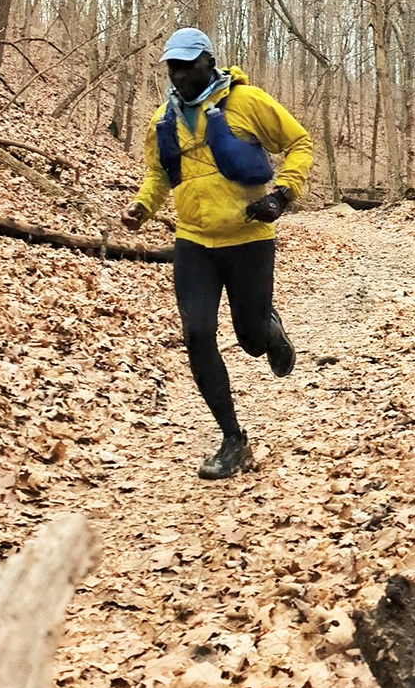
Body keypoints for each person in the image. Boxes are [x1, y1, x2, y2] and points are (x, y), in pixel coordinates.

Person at [121, 27, 313, 480]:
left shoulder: (248, 103)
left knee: (248, 340)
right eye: (173, 65)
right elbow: (159, 174)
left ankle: (267, 326)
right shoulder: (162, 120)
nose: (180, 73)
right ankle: (233, 439)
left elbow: (299, 143)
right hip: (193, 244)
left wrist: (282, 194)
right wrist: (142, 208)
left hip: (249, 239)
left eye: (188, 64)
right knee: (197, 334)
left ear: (209, 61)